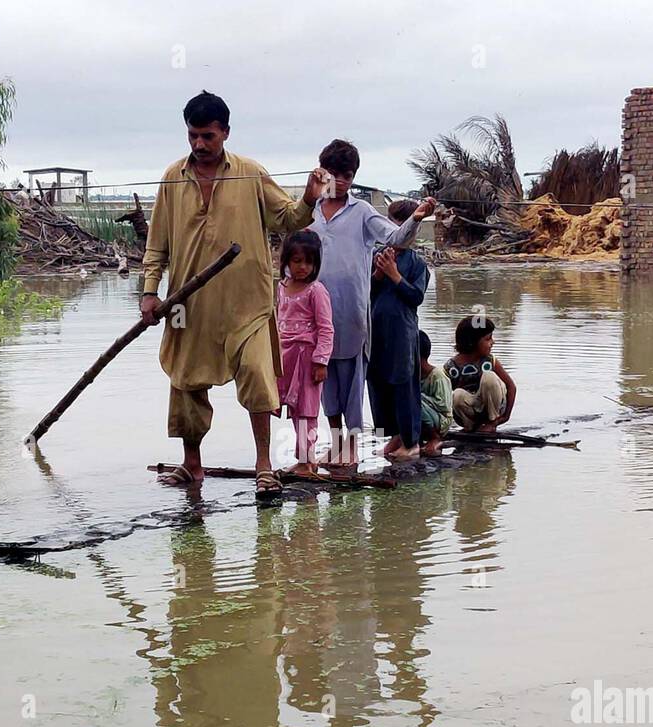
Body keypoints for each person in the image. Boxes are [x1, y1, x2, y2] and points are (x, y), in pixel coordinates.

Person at [140, 91, 333, 497]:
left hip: (249, 303)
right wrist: (149, 293)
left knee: (260, 382)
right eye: (193, 136)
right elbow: (156, 244)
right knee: (186, 383)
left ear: (225, 132)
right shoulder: (173, 177)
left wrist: (311, 197)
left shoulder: (250, 172)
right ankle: (192, 465)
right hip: (188, 305)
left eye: (208, 136)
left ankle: (265, 466)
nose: (199, 145)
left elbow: (289, 219)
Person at [309, 138, 436, 471]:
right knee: (325, 385)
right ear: (320, 172)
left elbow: (395, 238)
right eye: (331, 173)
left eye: (346, 175)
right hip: (317, 316)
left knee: (352, 386)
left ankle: (350, 448)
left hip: (352, 315)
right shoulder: (309, 211)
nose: (338, 181)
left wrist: (418, 217)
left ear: (353, 178)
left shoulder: (362, 211)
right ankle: (335, 444)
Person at [367, 200, 430, 460]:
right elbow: (365, 293)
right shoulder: (375, 257)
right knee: (377, 381)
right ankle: (392, 436)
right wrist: (378, 276)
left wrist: (394, 276)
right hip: (375, 329)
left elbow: (416, 297)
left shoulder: (417, 263)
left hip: (402, 331)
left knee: (403, 383)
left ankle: (411, 440)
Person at [274, 230, 334, 477]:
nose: (303, 267)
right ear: (287, 261)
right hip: (284, 357)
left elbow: (326, 328)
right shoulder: (281, 287)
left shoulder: (316, 291)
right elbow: (276, 320)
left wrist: (321, 361)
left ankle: (307, 461)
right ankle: (304, 459)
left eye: (308, 262)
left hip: (307, 357)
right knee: (292, 407)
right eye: (297, 261)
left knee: (307, 410)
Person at [445, 315, 517, 433]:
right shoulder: (452, 367)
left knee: (489, 377)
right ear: (472, 342)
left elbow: (511, 387)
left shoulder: (490, 361)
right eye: (488, 339)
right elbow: (442, 396)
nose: (493, 342)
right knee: (457, 395)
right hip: (470, 409)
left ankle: (491, 423)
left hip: (492, 409)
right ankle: (470, 426)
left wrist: (504, 418)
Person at [418, 330, 452, 456]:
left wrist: (419, 397)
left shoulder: (437, 376)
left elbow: (443, 405)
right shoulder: (411, 375)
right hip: (425, 416)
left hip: (441, 420)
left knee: (413, 401)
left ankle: (435, 438)